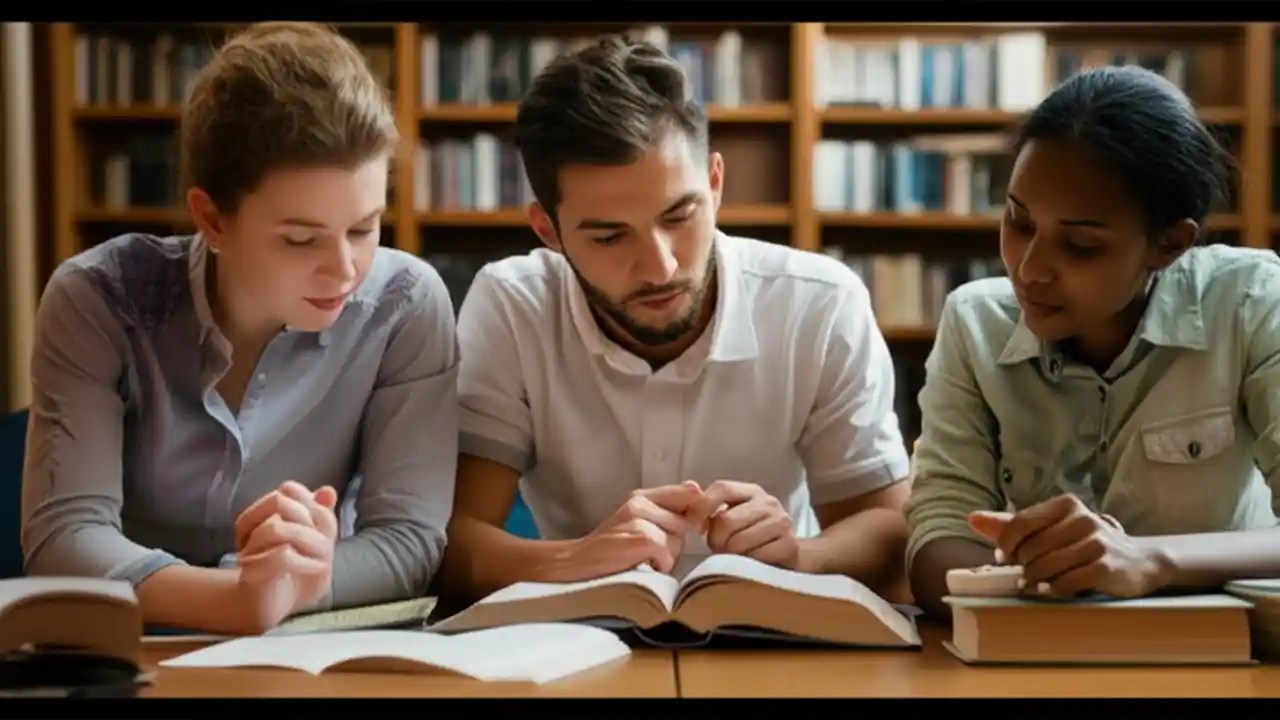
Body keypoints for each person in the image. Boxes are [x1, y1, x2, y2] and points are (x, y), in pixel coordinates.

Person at [436, 35, 912, 605]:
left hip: (777, 634)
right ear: (548, 231)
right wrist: (578, 556)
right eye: (610, 236)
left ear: (714, 183)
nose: (660, 266)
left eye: (679, 215)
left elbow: (888, 527)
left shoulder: (820, 303)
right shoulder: (512, 306)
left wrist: (798, 557)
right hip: (583, 643)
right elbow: (450, 541)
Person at [20, 22, 459, 635]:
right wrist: (240, 597)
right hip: (134, 650)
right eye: (301, 238)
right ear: (212, 219)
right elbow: (64, 540)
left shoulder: (405, 305)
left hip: (305, 651)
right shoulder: (99, 298)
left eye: (364, 228)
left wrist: (285, 587)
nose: (345, 269)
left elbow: (410, 542)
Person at [905, 65, 1280, 619]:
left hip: (1215, 651)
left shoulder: (1253, 301)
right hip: (1028, 645)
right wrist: (1036, 577)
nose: (1030, 271)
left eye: (1080, 245)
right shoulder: (975, 321)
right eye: (1018, 221)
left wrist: (1150, 560)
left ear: (1170, 244)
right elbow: (936, 535)